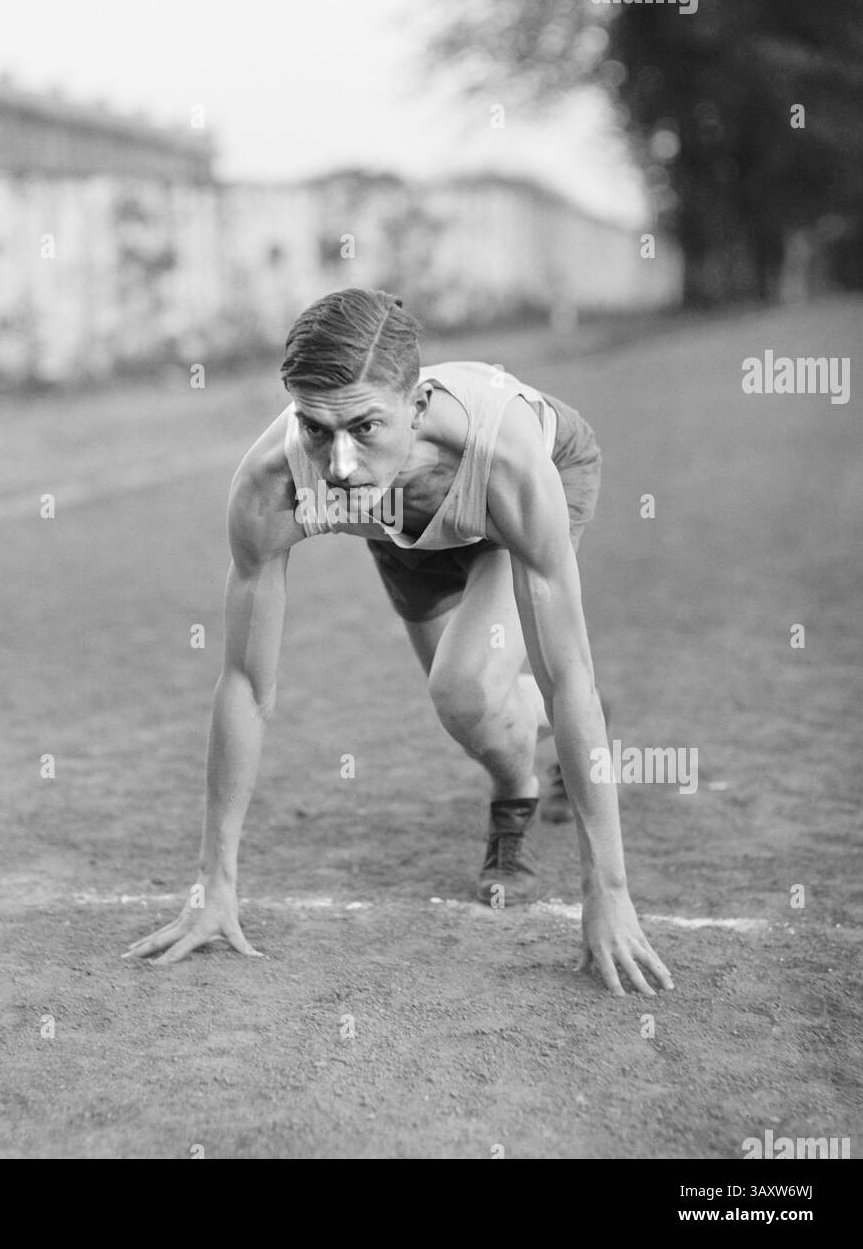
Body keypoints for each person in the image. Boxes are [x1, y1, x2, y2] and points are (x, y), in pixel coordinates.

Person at [126, 289, 673, 996]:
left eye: (364, 427)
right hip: (401, 529)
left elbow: (571, 676)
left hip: (517, 496)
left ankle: (517, 796)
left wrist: (611, 892)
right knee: (464, 712)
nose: (341, 465)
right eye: (316, 430)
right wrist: (213, 886)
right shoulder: (274, 482)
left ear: (415, 409)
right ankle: (523, 746)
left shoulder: (505, 455)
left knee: (465, 685)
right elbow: (245, 685)